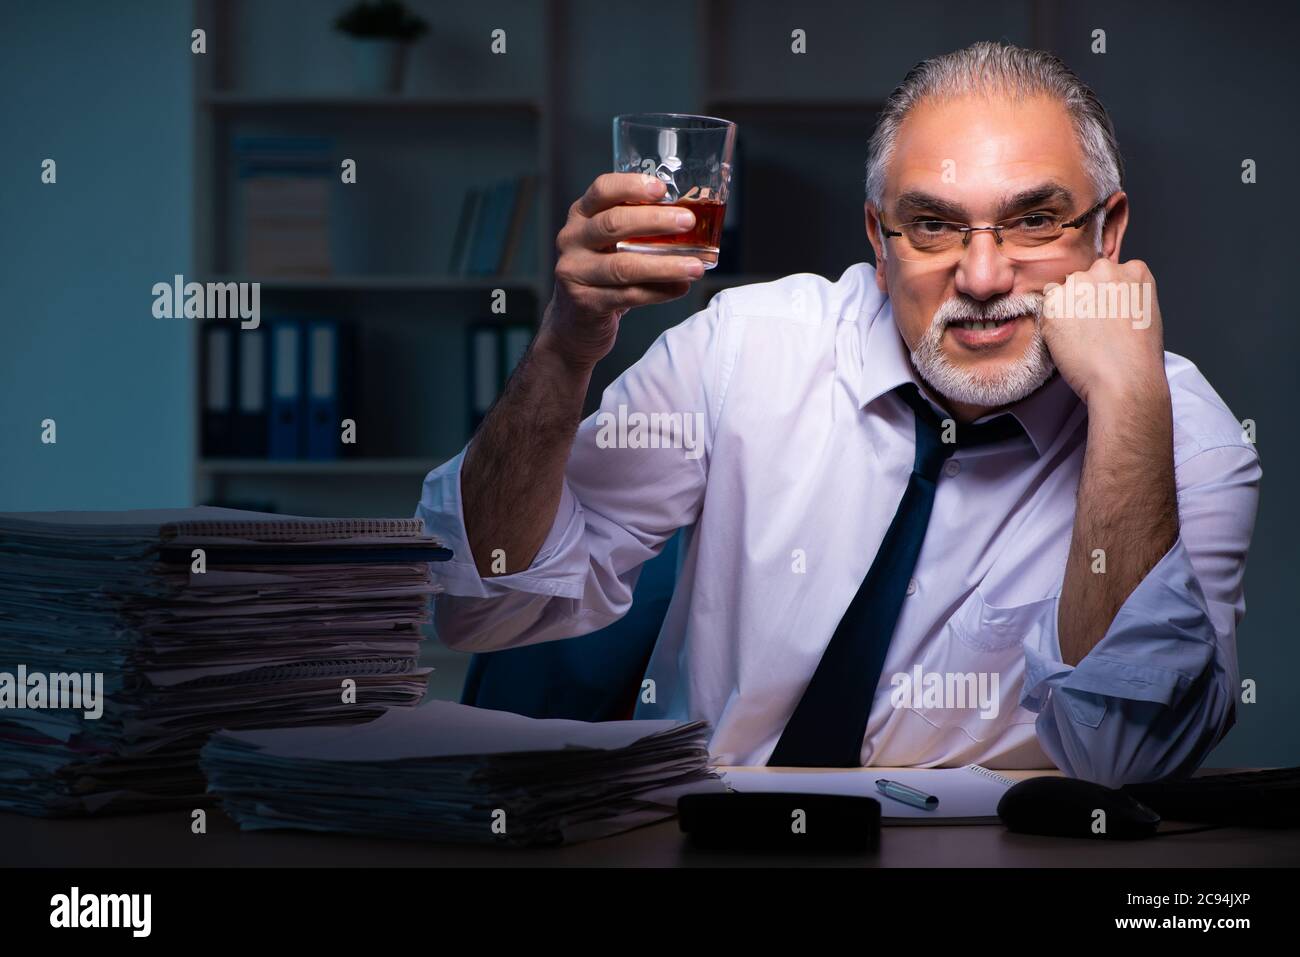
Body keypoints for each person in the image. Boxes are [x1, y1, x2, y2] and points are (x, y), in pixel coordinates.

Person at [416, 41, 1260, 785]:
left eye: (1034, 220)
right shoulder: (741, 350)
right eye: (931, 226)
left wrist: (1125, 403)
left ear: (1107, 235)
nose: (984, 275)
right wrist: (569, 344)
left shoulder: (1181, 434)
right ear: (878, 241)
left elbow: (1126, 753)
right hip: (708, 845)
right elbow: (485, 599)